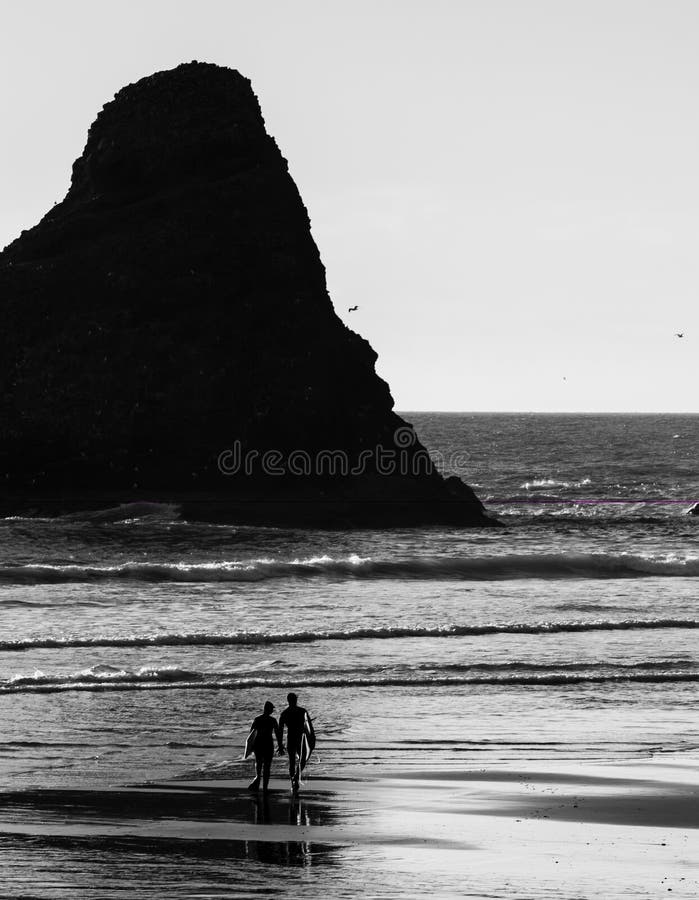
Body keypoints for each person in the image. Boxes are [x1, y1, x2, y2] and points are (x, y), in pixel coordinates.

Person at [279, 692, 315, 794]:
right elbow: (310, 727)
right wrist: (312, 738)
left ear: (288, 700)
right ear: (295, 700)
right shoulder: (302, 711)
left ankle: (294, 780)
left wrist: (280, 744)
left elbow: (280, 730)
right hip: (300, 739)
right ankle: (295, 778)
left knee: (292, 762)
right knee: (302, 760)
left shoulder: (284, 713)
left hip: (290, 739)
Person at [248, 700, 283, 793]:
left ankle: (257, 778)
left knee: (258, 764)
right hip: (268, 744)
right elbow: (277, 733)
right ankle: (265, 788)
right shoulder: (272, 720)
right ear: (269, 709)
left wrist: (250, 747)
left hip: (258, 744)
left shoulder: (257, 719)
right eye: (272, 709)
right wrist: (280, 745)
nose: (272, 711)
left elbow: (251, 734)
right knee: (267, 767)